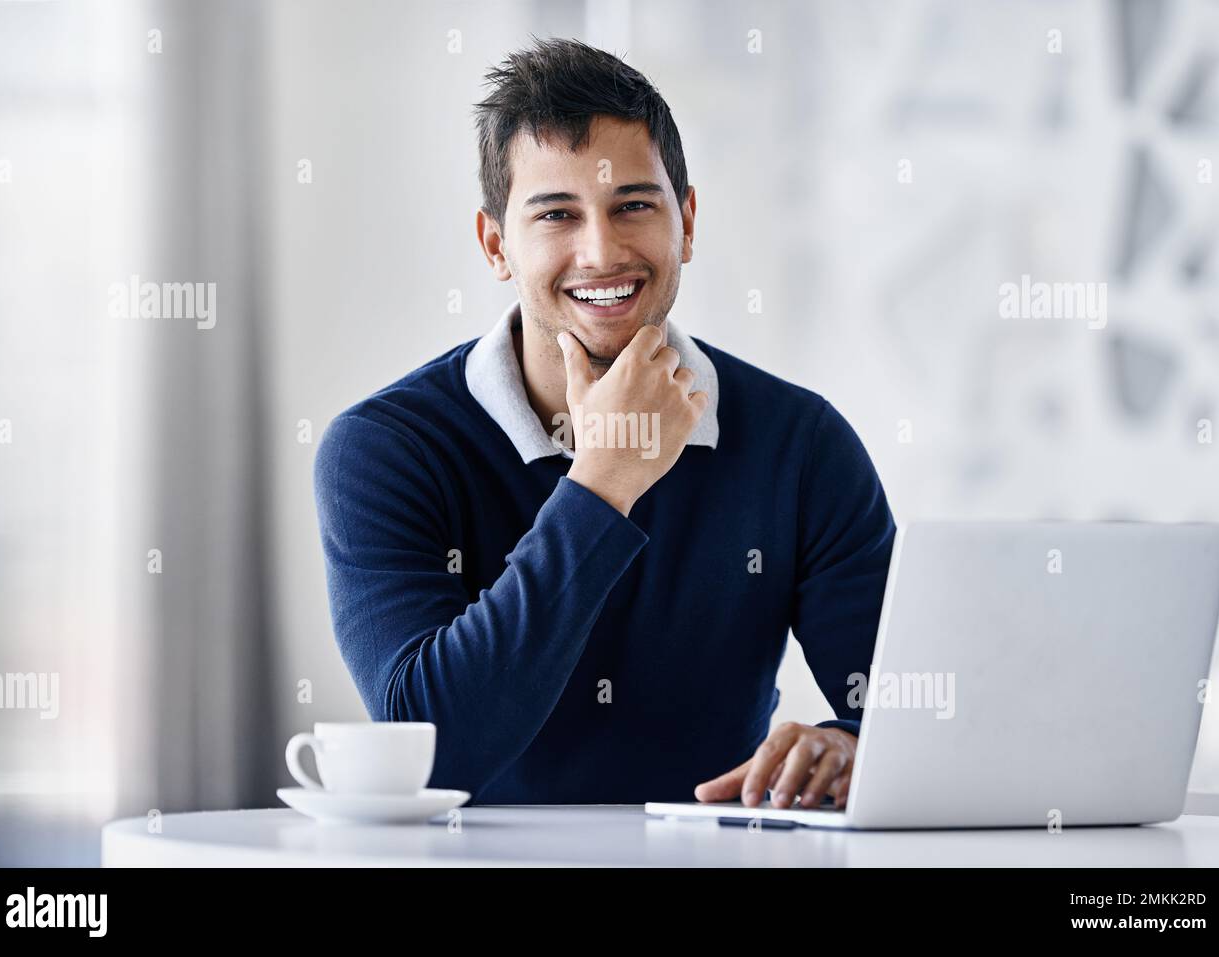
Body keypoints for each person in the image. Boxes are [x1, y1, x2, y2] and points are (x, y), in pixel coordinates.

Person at [314, 37, 896, 810]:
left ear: (686, 221)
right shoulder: (385, 451)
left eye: (634, 205)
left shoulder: (802, 444)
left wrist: (850, 743)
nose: (602, 250)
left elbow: (911, 716)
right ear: (496, 245)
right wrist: (604, 481)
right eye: (557, 214)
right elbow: (432, 743)